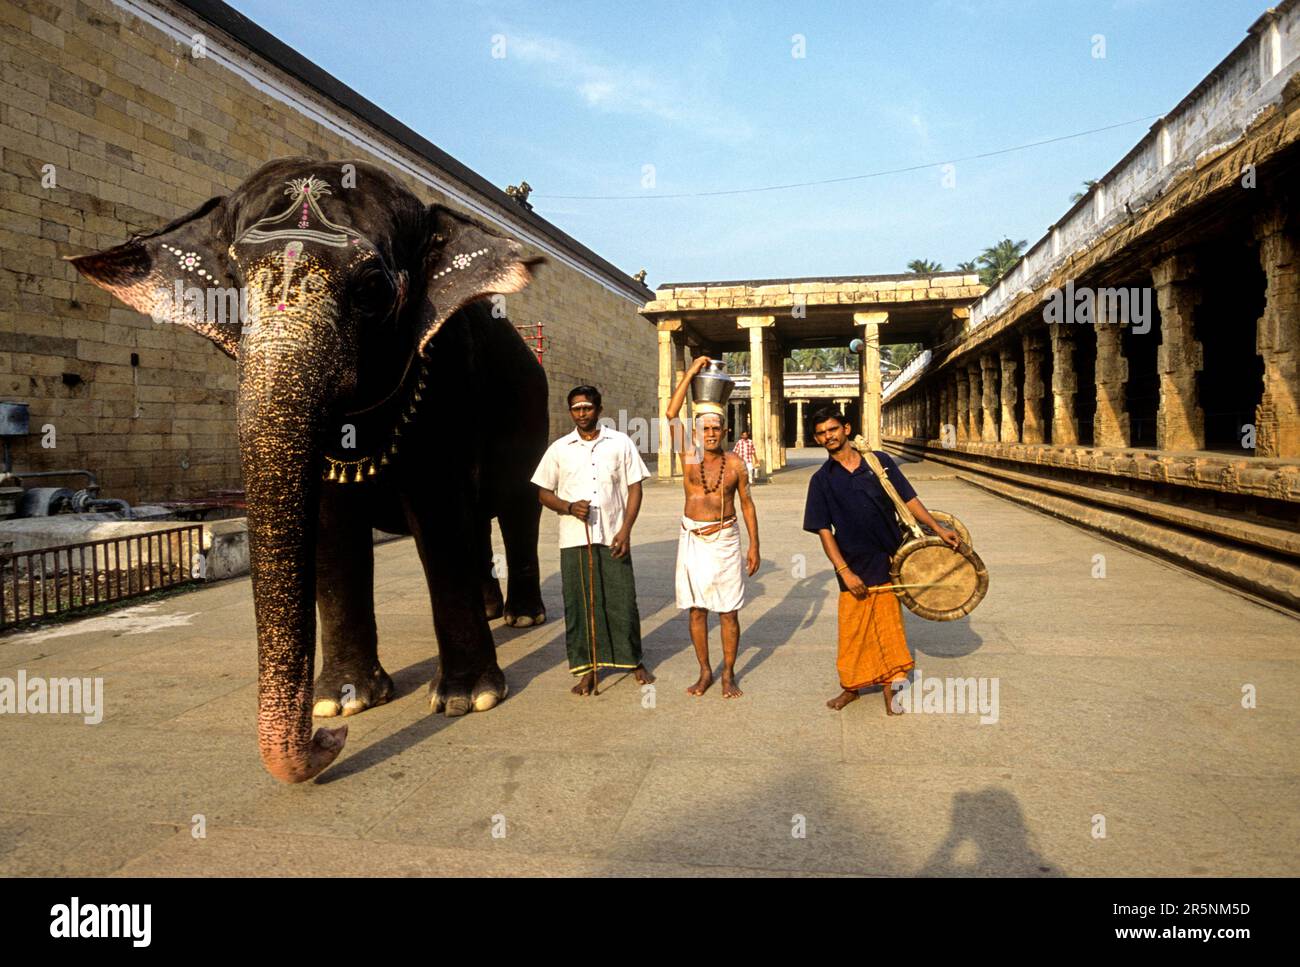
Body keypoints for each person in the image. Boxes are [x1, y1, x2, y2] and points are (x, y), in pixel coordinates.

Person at [802, 406, 960, 713]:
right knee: (852, 629)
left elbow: (908, 498)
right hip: (852, 563)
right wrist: (844, 571)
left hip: (889, 556)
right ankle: (851, 686)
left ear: (846, 429)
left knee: (889, 625)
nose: (828, 436)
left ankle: (891, 687)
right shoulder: (821, 480)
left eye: (832, 429)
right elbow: (823, 530)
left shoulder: (879, 463)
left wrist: (938, 529)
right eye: (821, 433)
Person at [533, 385, 655, 695]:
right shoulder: (560, 448)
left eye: (587, 407)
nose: (582, 413)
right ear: (570, 412)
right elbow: (543, 492)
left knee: (623, 601)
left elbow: (635, 488)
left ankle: (633, 660)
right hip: (575, 539)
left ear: (599, 410)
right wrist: (568, 507)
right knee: (579, 606)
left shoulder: (620, 443)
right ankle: (587, 669)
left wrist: (626, 530)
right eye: (576, 408)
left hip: (614, 536)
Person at [666, 356, 760, 698]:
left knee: (729, 610)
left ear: (725, 431)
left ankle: (728, 674)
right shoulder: (689, 457)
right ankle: (705, 671)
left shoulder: (735, 464)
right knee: (696, 609)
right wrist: (690, 372)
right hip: (692, 538)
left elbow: (747, 504)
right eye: (704, 429)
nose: (710, 434)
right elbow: (671, 415)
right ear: (697, 432)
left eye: (716, 429)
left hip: (725, 539)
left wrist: (754, 546)